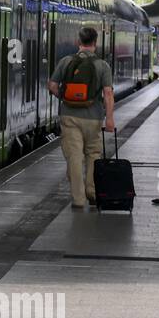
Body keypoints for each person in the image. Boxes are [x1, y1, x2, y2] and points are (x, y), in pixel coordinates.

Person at [48, 26, 115, 210]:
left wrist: (64, 98)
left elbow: (53, 85)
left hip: (69, 116)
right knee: (93, 154)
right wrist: (109, 119)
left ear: (79, 42)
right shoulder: (102, 65)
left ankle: (78, 199)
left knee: (74, 157)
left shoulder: (66, 61)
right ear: (95, 43)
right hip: (93, 118)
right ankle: (92, 192)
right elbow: (108, 94)